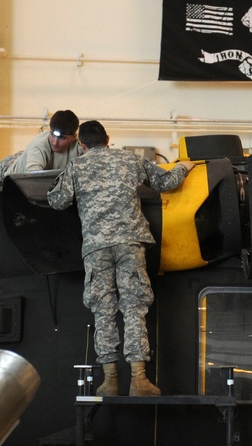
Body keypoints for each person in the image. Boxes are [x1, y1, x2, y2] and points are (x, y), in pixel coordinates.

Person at [47, 120, 194, 396]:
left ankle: (110, 380)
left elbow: (57, 201)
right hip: (130, 242)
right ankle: (139, 380)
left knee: (103, 310)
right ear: (108, 139)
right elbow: (166, 182)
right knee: (134, 307)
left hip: (96, 248)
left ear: (81, 144)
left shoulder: (77, 166)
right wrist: (182, 168)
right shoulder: (130, 159)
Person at [0, 110, 84, 189]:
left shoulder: (79, 147)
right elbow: (33, 181)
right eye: (52, 134)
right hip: (7, 171)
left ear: (74, 137)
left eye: (62, 138)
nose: (55, 142)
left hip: (28, 158)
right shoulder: (39, 146)